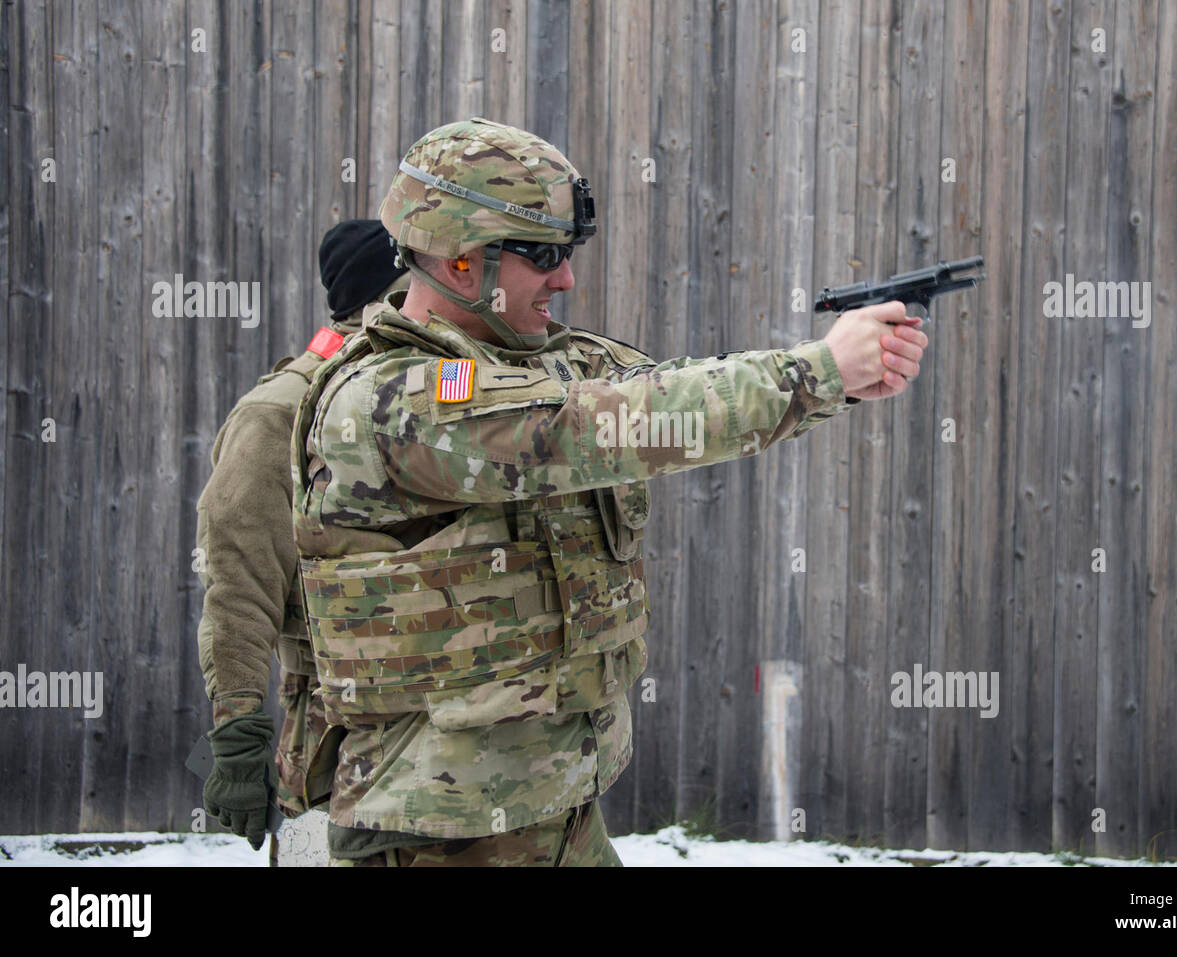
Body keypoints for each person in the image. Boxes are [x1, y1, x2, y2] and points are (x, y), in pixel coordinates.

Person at [291, 117, 929, 867]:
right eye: (543, 256)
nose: (565, 279)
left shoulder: (530, 361)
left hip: (553, 811)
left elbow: (669, 390)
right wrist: (817, 370)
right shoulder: (393, 398)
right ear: (462, 264)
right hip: (438, 832)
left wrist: (839, 384)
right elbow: (603, 427)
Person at [196, 220, 409, 861]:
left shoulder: (429, 395)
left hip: (445, 747)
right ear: (383, 301)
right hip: (330, 749)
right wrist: (237, 731)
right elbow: (238, 583)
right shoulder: (282, 413)